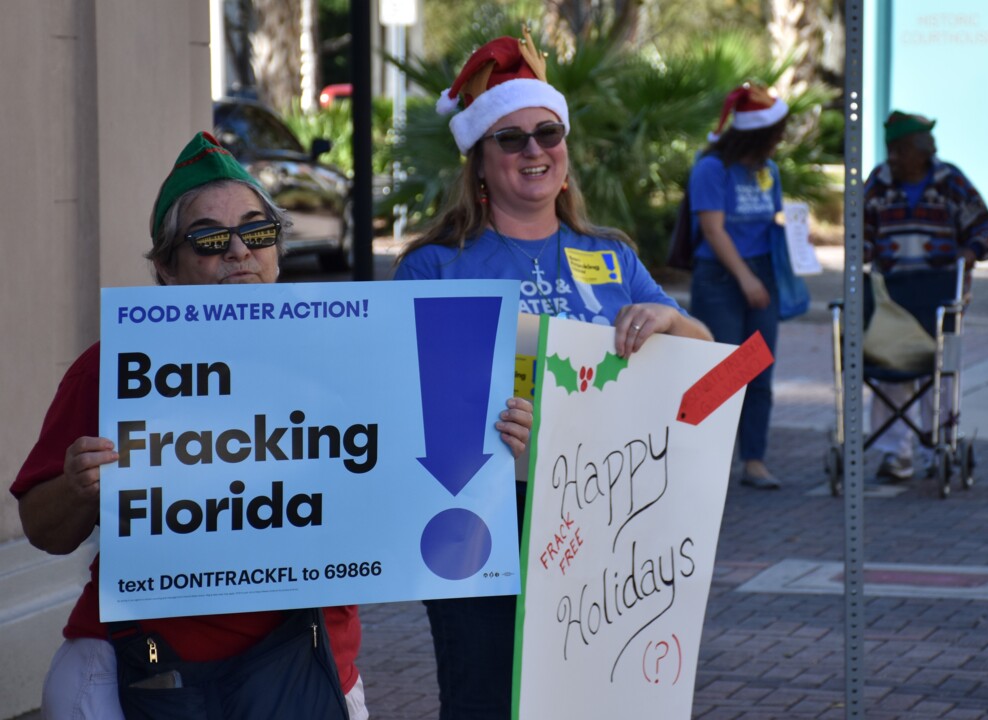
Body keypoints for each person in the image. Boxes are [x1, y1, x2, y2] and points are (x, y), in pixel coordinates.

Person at [11, 133, 531, 719]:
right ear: (166, 267)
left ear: (278, 251)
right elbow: (43, 530)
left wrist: (492, 436)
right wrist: (77, 485)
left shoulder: (361, 353)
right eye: (209, 238)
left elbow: (415, 479)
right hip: (140, 671)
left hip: (308, 667)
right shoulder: (113, 368)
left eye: (257, 233)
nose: (238, 251)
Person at [393, 28, 712, 719]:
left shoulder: (613, 255)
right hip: (477, 517)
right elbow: (399, 399)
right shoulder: (434, 265)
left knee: (589, 698)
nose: (533, 150)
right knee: (482, 699)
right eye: (510, 139)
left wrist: (669, 320)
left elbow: (706, 359)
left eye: (547, 133)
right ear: (480, 162)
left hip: (600, 512)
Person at [862, 111, 988, 482]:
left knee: (941, 375)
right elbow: (859, 231)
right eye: (890, 149)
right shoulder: (878, 182)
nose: (893, 157)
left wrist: (971, 251)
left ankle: (938, 448)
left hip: (940, 297)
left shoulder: (949, 181)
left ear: (923, 151)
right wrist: (860, 250)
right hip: (892, 300)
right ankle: (895, 455)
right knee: (892, 372)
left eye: (901, 149)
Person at [687, 82, 791, 490]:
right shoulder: (711, 168)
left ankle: (754, 461)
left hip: (762, 273)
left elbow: (774, 221)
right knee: (723, 373)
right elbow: (713, 230)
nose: (780, 141)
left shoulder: (769, 171)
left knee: (758, 371)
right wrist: (745, 278)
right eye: (776, 134)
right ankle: (707, 463)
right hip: (721, 277)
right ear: (758, 134)